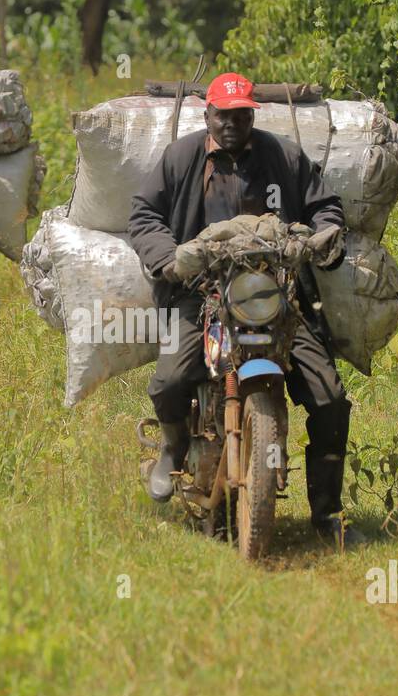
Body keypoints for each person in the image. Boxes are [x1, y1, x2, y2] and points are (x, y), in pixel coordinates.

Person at [128, 71, 363, 547]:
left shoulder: (284, 155)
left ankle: (327, 514)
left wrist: (323, 235)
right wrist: (170, 258)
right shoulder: (182, 158)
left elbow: (325, 206)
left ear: (252, 114)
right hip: (201, 292)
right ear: (207, 114)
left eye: (241, 114)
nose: (232, 123)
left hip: (276, 292)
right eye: (223, 115)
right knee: (170, 380)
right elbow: (143, 214)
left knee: (330, 397)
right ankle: (172, 449)